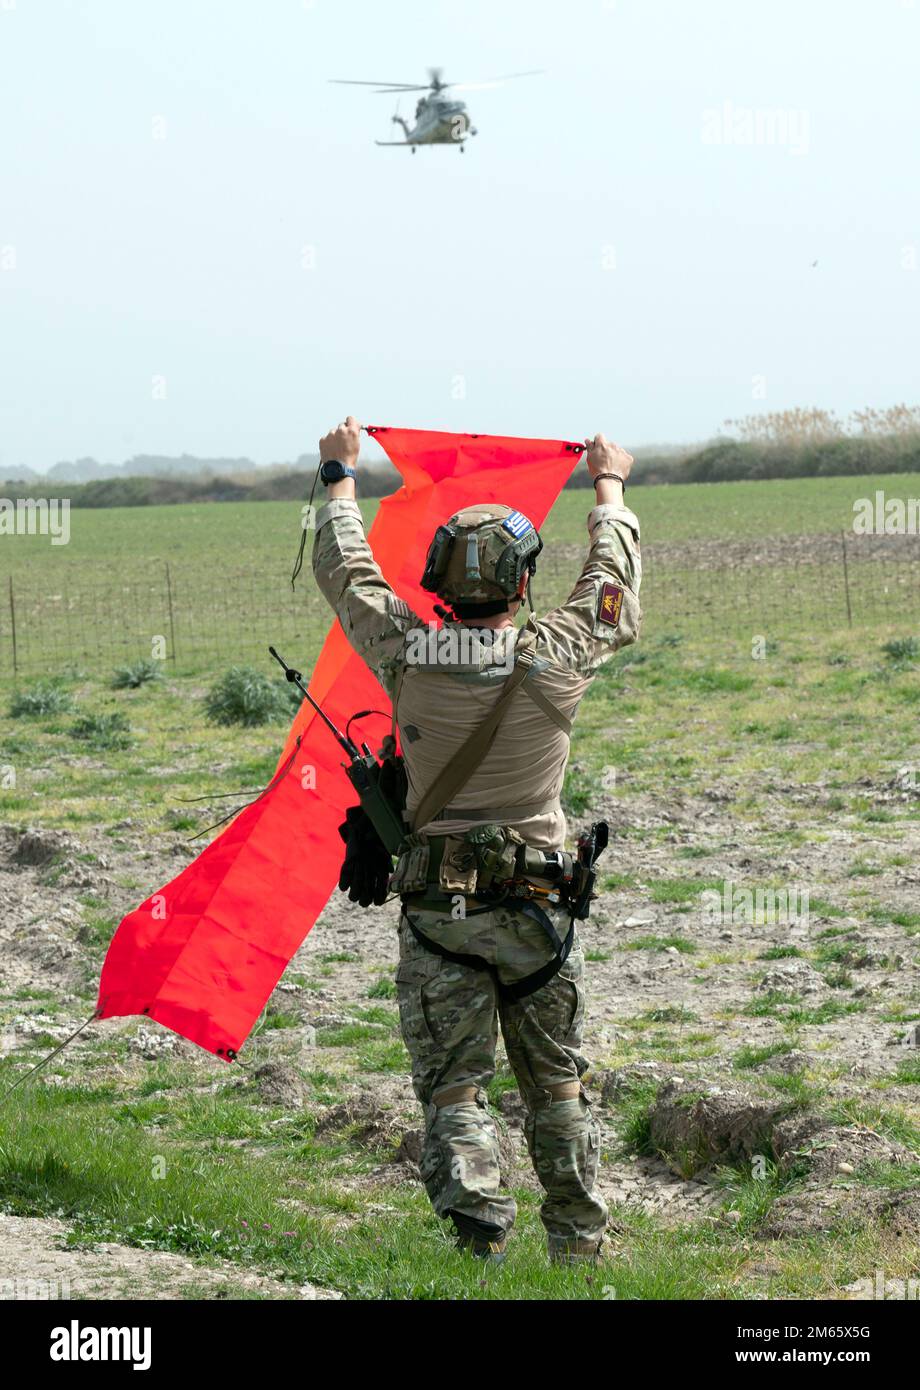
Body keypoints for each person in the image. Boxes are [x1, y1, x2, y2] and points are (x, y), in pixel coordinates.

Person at [312, 415, 641, 1264]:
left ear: (434, 583)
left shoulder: (407, 651)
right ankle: (576, 1250)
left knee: (457, 1089)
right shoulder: (563, 649)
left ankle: (478, 1245)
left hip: (438, 919)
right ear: (524, 586)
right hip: (541, 917)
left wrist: (339, 476)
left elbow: (346, 574)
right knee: (559, 1087)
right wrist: (607, 488)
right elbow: (612, 584)